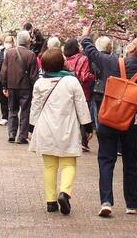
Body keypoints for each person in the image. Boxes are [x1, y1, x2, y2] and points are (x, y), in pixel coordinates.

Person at [81, 23, 137, 218]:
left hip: (107, 119)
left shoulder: (113, 62)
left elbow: (91, 53)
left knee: (106, 159)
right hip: (130, 123)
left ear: (131, 49)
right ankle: (132, 204)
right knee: (130, 161)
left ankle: (106, 201)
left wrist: (86, 36)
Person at [29, 49, 92, 215]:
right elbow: (81, 104)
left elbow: (35, 107)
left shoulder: (39, 83)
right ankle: (64, 193)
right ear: (62, 63)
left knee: (49, 166)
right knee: (68, 163)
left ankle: (50, 202)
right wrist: (87, 125)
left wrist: (31, 127)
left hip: (45, 128)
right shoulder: (71, 81)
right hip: (67, 128)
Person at [0, 30, 39, 144]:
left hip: (11, 86)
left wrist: (4, 86)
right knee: (25, 111)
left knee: (12, 110)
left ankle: (11, 133)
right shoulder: (31, 54)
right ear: (28, 41)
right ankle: (22, 136)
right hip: (26, 87)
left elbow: (4, 71)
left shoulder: (9, 53)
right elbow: (33, 75)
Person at [63, 38, 95, 151]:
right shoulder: (83, 59)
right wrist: (94, 77)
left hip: (67, 89)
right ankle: (83, 142)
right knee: (82, 114)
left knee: (70, 115)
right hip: (82, 90)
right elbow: (84, 76)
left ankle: (69, 140)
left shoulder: (65, 60)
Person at [88, 35, 114, 130]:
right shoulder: (114, 59)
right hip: (112, 90)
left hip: (98, 90)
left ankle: (100, 130)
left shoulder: (96, 59)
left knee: (98, 114)